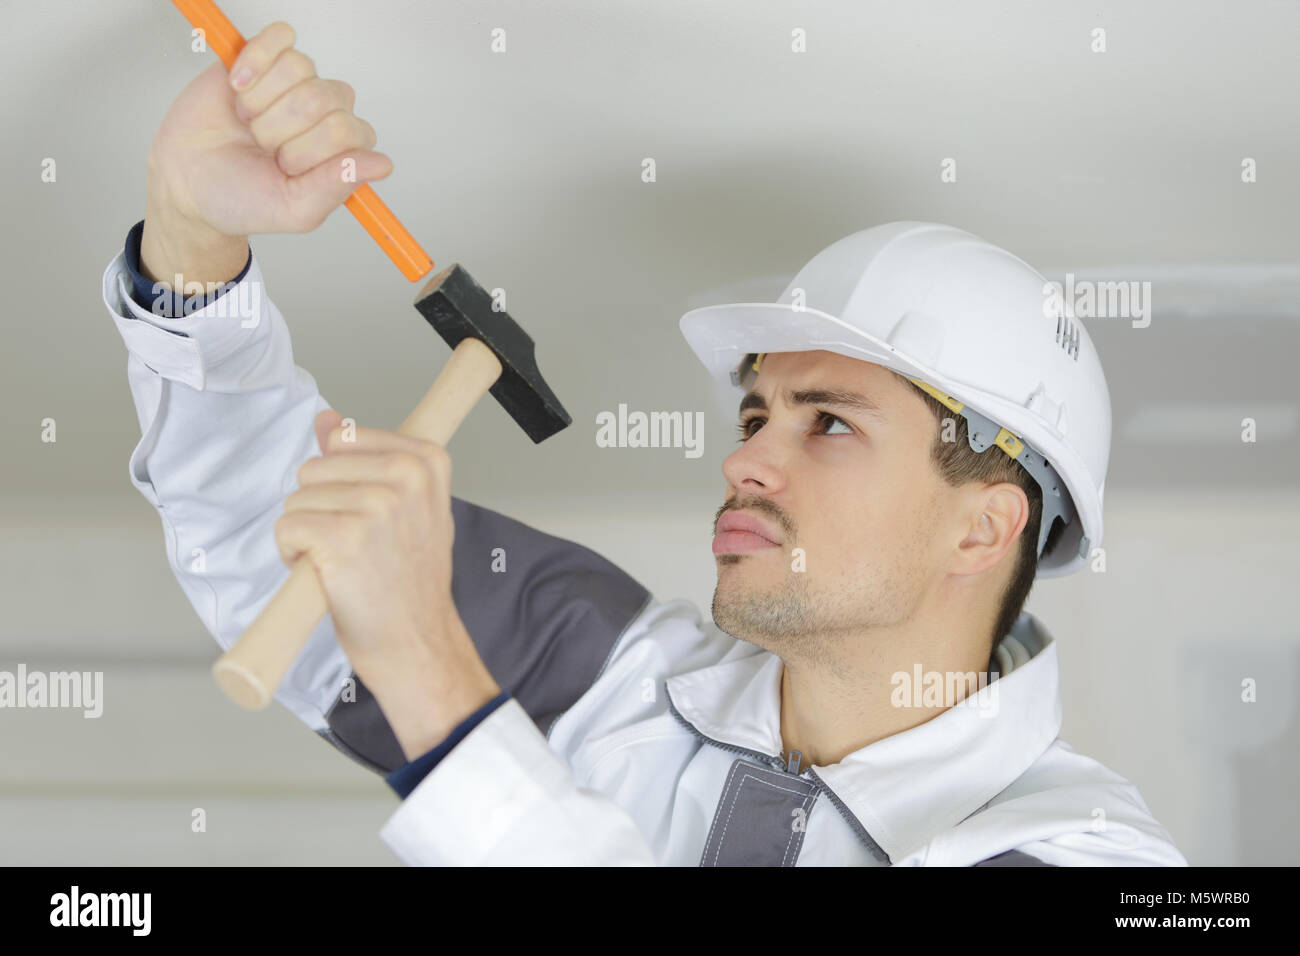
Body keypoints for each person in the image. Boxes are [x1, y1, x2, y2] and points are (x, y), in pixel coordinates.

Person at [103, 21, 1186, 865]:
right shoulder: (606, 662)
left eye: (832, 422)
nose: (743, 460)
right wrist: (192, 235)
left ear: (982, 525)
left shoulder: (1076, 848)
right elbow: (273, 547)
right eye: (756, 414)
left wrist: (428, 668)